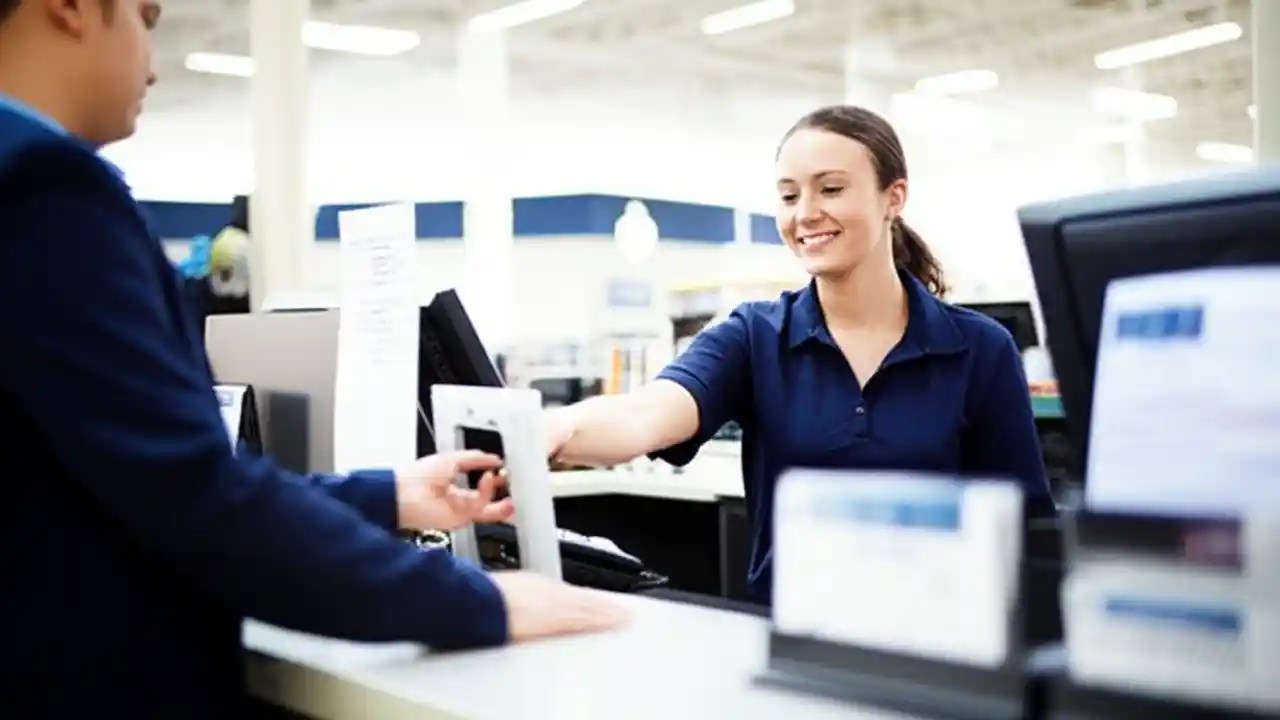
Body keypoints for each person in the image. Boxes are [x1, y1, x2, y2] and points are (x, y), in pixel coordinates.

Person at [0, 1, 624, 716]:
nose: (154, 63)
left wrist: (385, 496)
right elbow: (193, 499)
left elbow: (110, 475)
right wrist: (479, 601)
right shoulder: (45, 191)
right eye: (145, 17)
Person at [546, 104, 1055, 605]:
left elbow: (1027, 532)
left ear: (893, 197)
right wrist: (548, 431)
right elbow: (646, 414)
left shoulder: (980, 349)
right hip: (794, 634)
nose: (805, 213)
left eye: (830, 189)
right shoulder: (755, 336)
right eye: (789, 196)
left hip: (939, 636)